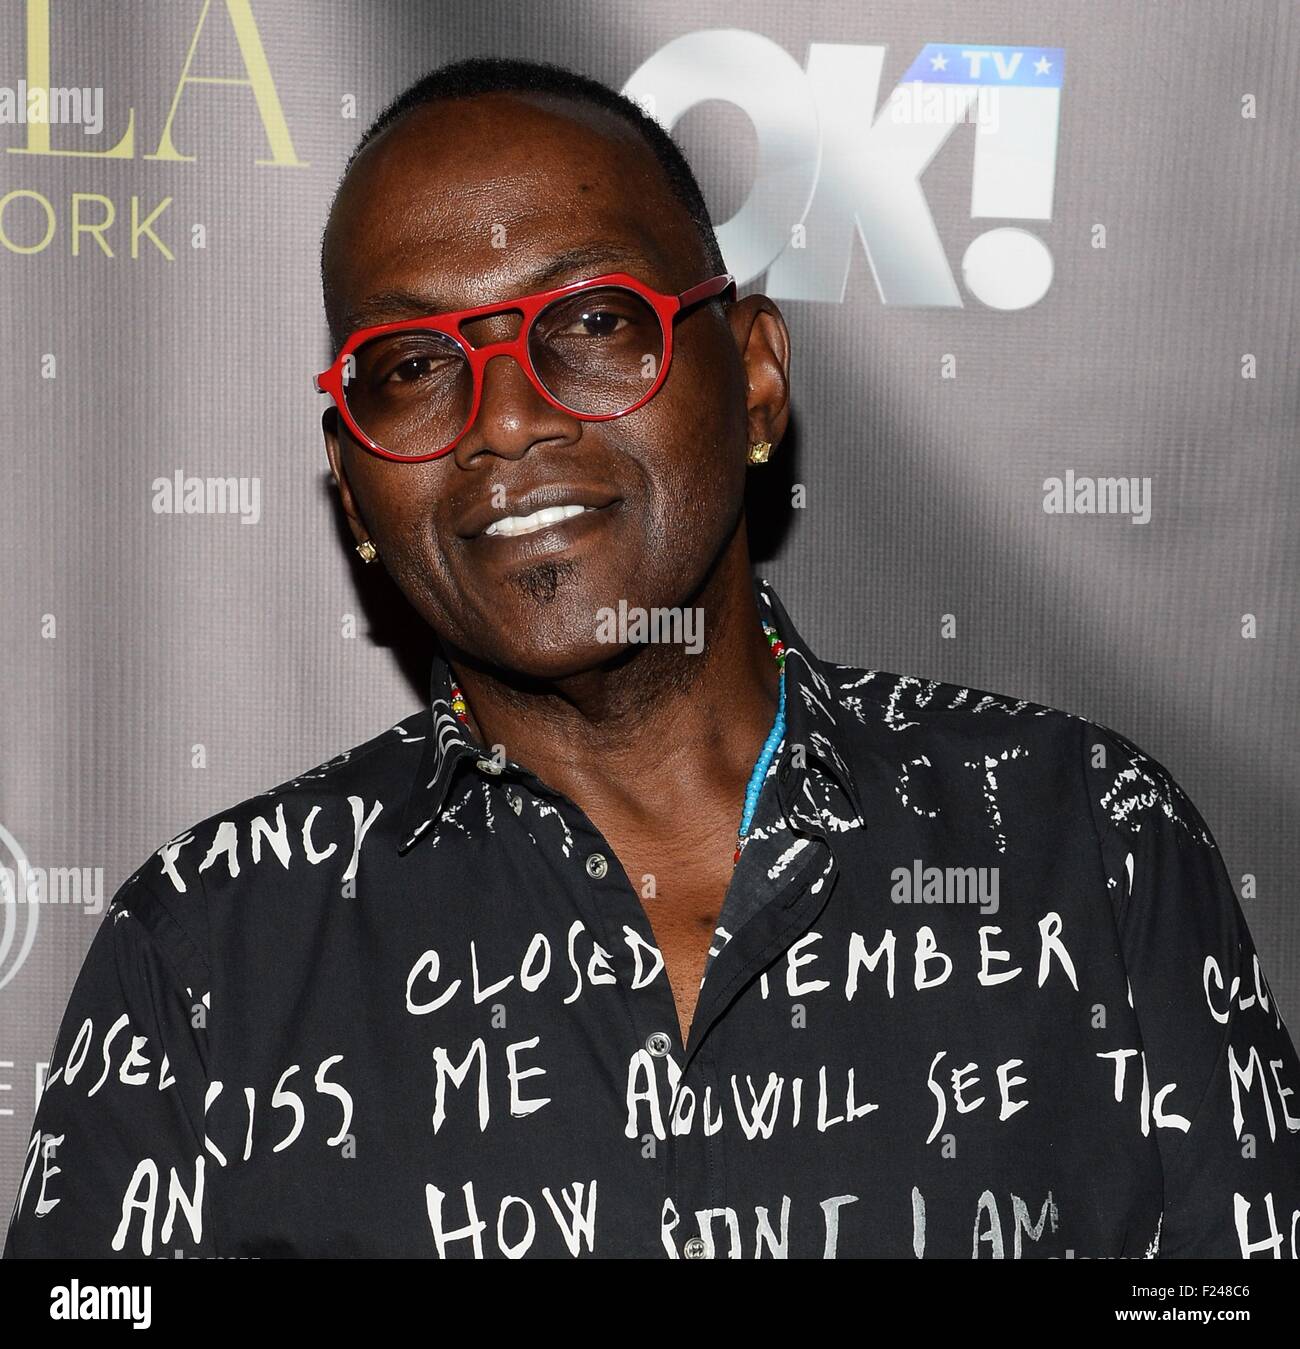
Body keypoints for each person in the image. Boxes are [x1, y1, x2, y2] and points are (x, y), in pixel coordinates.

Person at [6, 57, 1298, 1261]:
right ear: (351, 484)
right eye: (410, 365)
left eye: (592, 321)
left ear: (753, 377)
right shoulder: (197, 961)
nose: (506, 419)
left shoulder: (1093, 844)